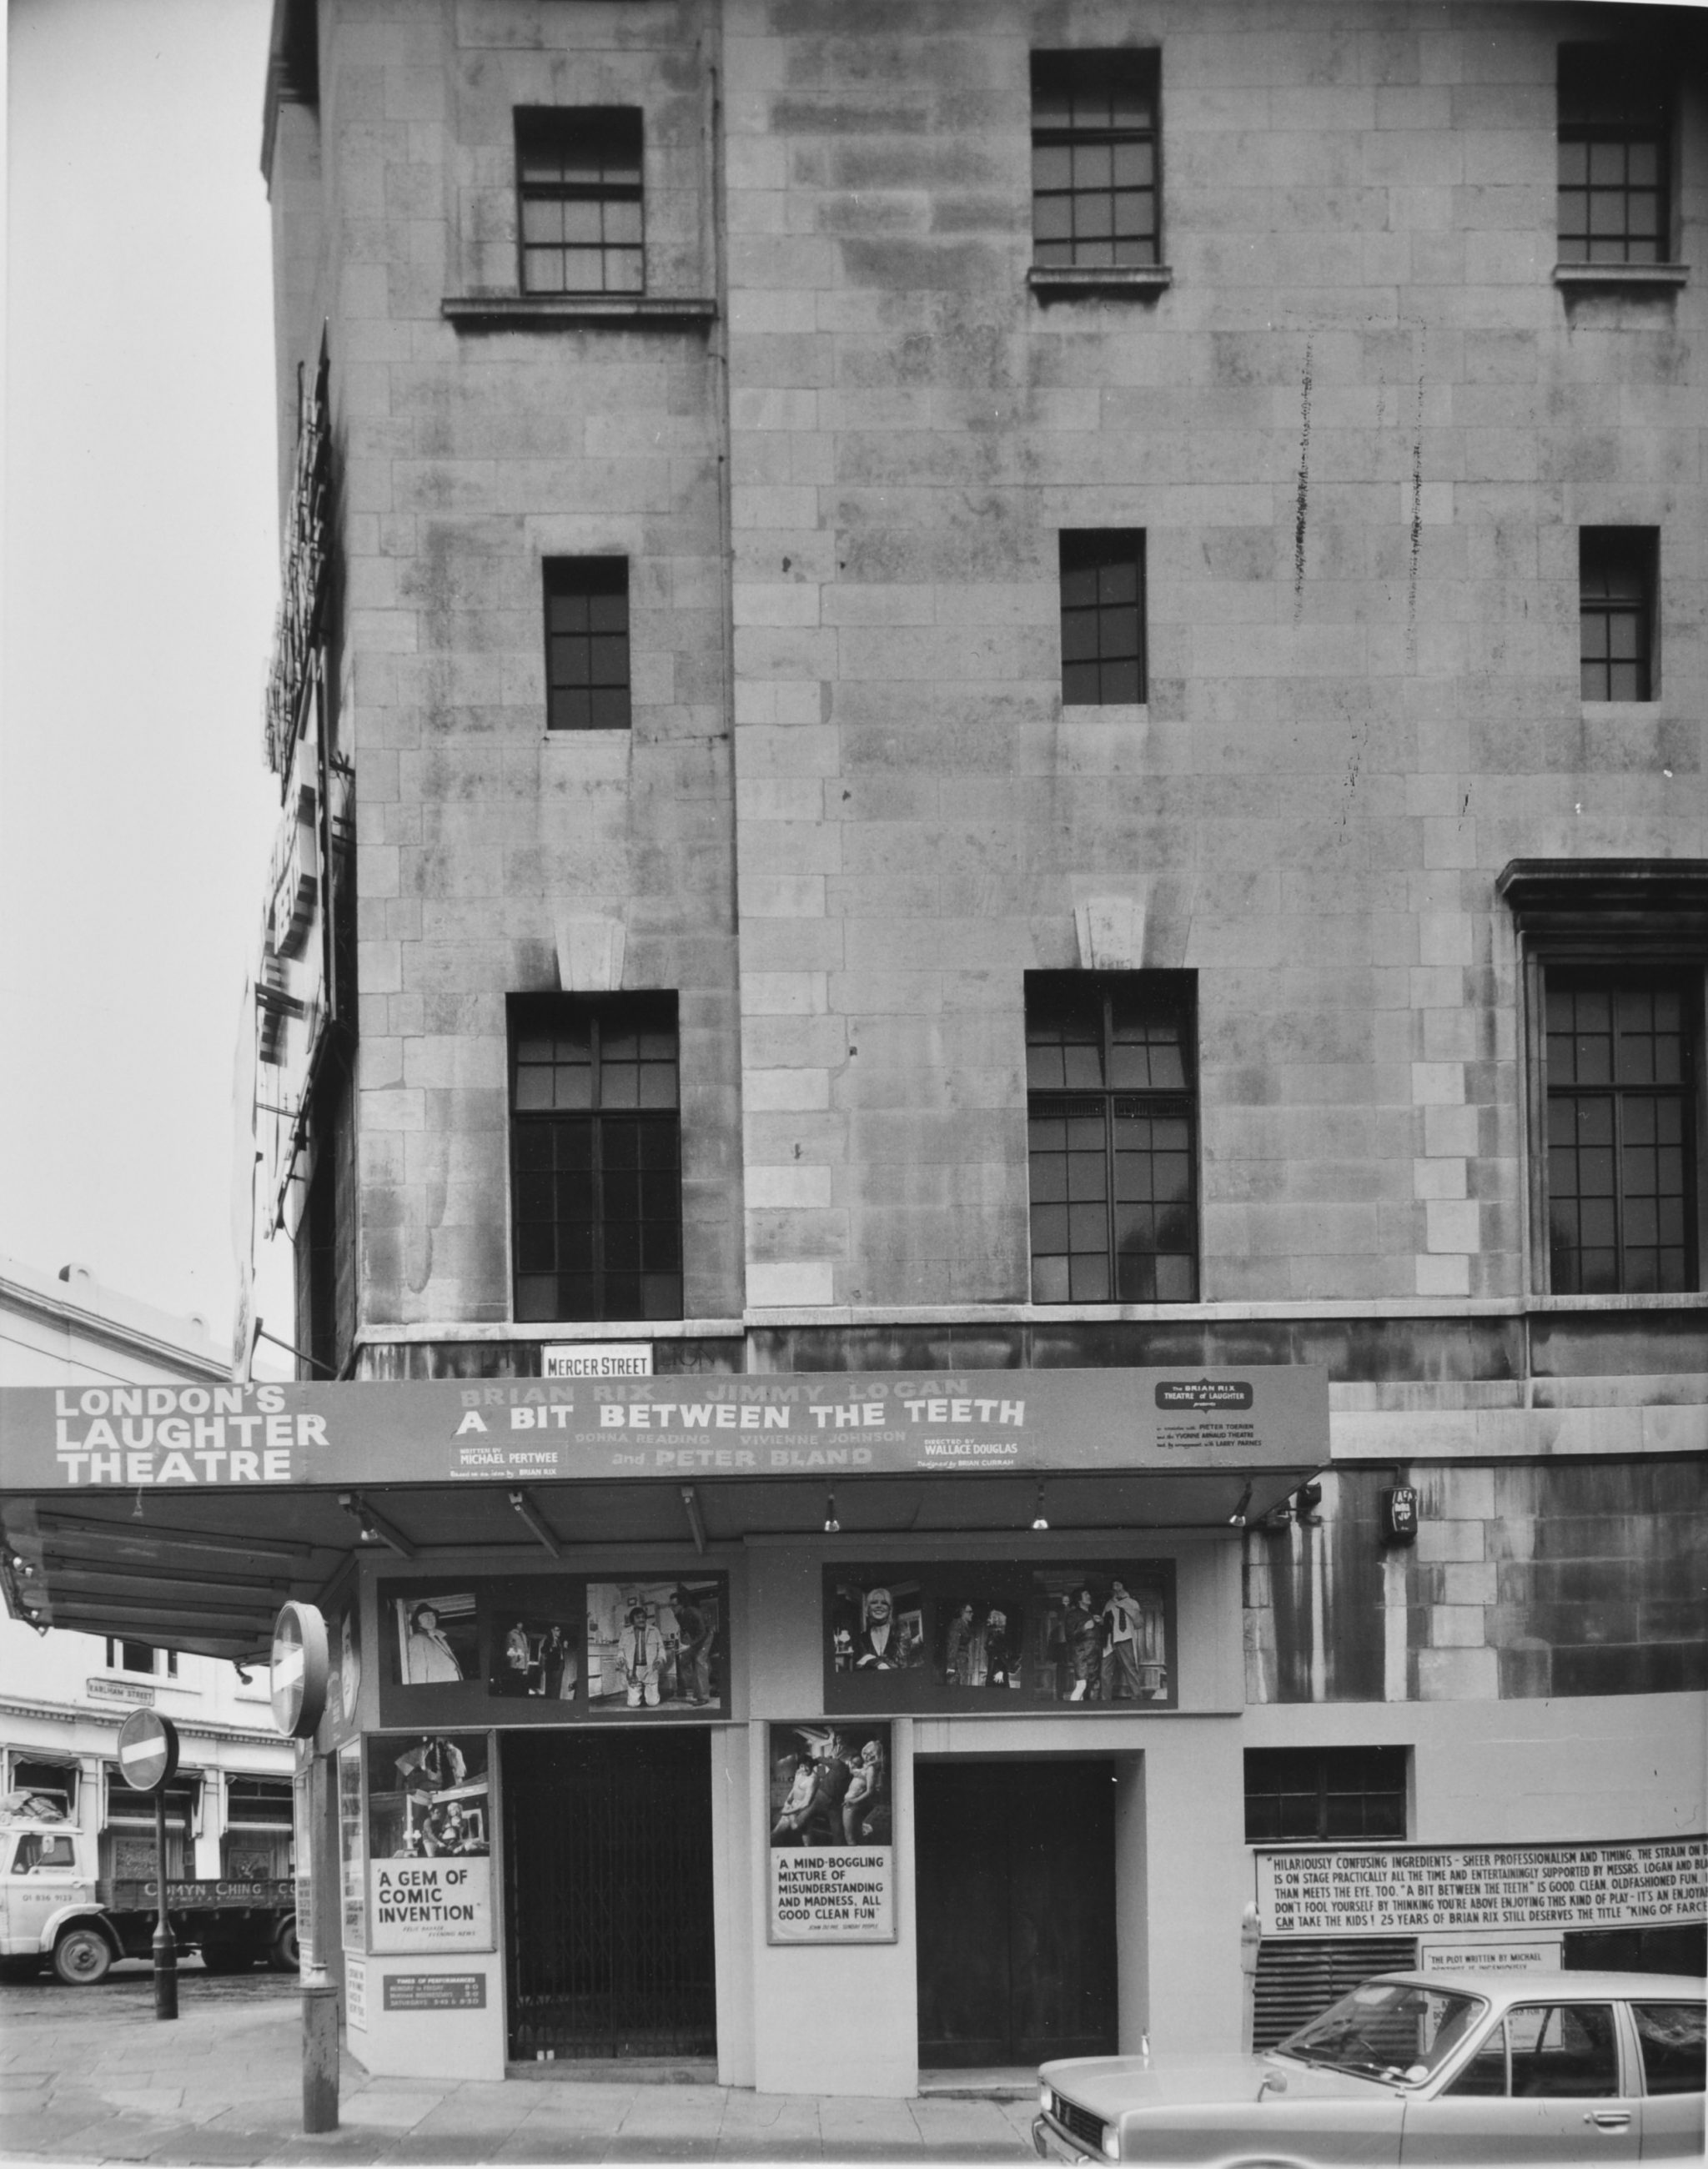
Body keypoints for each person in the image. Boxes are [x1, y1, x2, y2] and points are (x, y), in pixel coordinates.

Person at [1100, 1579, 1147, 1701]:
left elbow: (1139, 1623)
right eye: (1113, 1585)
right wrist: (1100, 1621)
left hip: (1125, 1639)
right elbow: (1104, 1622)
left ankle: (1137, 1701)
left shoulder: (1132, 1602)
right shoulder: (1109, 1604)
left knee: (1130, 1670)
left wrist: (1125, 1605)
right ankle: (1105, 1702)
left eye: (1118, 1585)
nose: (1116, 1588)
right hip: (1109, 1641)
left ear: (1124, 1586)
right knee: (1105, 1672)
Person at [615, 1604, 665, 1708]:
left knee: (652, 1703)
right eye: (638, 1617)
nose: (641, 1619)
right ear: (633, 1620)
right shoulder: (625, 1633)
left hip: (650, 1668)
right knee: (633, 1704)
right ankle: (640, 1693)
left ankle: (650, 1693)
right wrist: (620, 1658)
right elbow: (621, 1650)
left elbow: (661, 1648)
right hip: (633, 1670)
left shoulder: (654, 1630)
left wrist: (660, 1659)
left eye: (643, 1617)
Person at [673, 1586, 715, 1705]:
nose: (671, 1608)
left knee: (699, 1660)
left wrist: (690, 1646)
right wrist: (684, 1643)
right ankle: (699, 1692)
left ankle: (704, 1697)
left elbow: (703, 1632)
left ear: (681, 1605)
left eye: (674, 1605)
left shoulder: (692, 1612)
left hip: (706, 1635)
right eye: (670, 1605)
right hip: (695, 1636)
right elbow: (684, 1629)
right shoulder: (678, 1615)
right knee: (686, 1662)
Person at [852, 1585, 912, 1668]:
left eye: (884, 1603)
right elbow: (859, 1666)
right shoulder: (862, 1639)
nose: (879, 1606)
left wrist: (870, 1660)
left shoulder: (900, 1632)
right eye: (874, 1602)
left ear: (890, 1610)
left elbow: (902, 1664)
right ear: (867, 1609)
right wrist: (878, 1663)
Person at [402, 1602, 462, 1683]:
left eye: (432, 1615)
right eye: (424, 1616)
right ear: (417, 1621)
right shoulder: (417, 1640)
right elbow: (417, 1673)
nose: (429, 1618)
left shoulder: (440, 1638)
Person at [841, 1735, 885, 1845]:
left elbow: (870, 1791)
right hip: (851, 1803)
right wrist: (851, 1767)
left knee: (849, 1837)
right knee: (853, 1835)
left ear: (876, 1755)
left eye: (871, 1754)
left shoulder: (871, 1769)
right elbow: (855, 1772)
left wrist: (853, 1801)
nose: (867, 1756)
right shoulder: (867, 1767)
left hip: (852, 1805)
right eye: (866, 1753)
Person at [1062, 1586, 1101, 1701]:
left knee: (1088, 1687)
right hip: (1081, 1656)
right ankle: (1070, 1710)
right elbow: (1069, 1636)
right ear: (1079, 1599)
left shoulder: (1091, 1614)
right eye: (1086, 1594)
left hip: (1093, 1656)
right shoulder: (1073, 1615)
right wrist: (1084, 1628)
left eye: (1089, 1594)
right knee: (1082, 1685)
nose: (1089, 1596)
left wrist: (1101, 1622)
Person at [770, 1751, 816, 1844]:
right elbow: (794, 1789)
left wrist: (788, 1811)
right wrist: (788, 1802)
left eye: (807, 1766)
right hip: (795, 1806)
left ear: (811, 1765)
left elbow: (806, 1802)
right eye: (802, 1766)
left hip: (806, 1810)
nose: (804, 1769)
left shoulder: (813, 1779)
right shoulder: (799, 1773)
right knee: (777, 1833)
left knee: (806, 1837)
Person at [943, 1601, 976, 1685]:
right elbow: (953, 1645)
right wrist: (951, 1666)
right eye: (970, 1612)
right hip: (956, 1662)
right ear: (963, 1612)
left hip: (963, 1662)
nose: (972, 1614)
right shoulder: (957, 1624)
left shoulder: (966, 1625)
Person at [984, 1605, 1016, 1689]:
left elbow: (1001, 1655)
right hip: (993, 1671)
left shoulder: (998, 1636)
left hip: (997, 1673)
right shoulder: (993, 1634)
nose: (988, 1620)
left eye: (990, 1618)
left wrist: (1000, 1671)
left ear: (996, 1620)